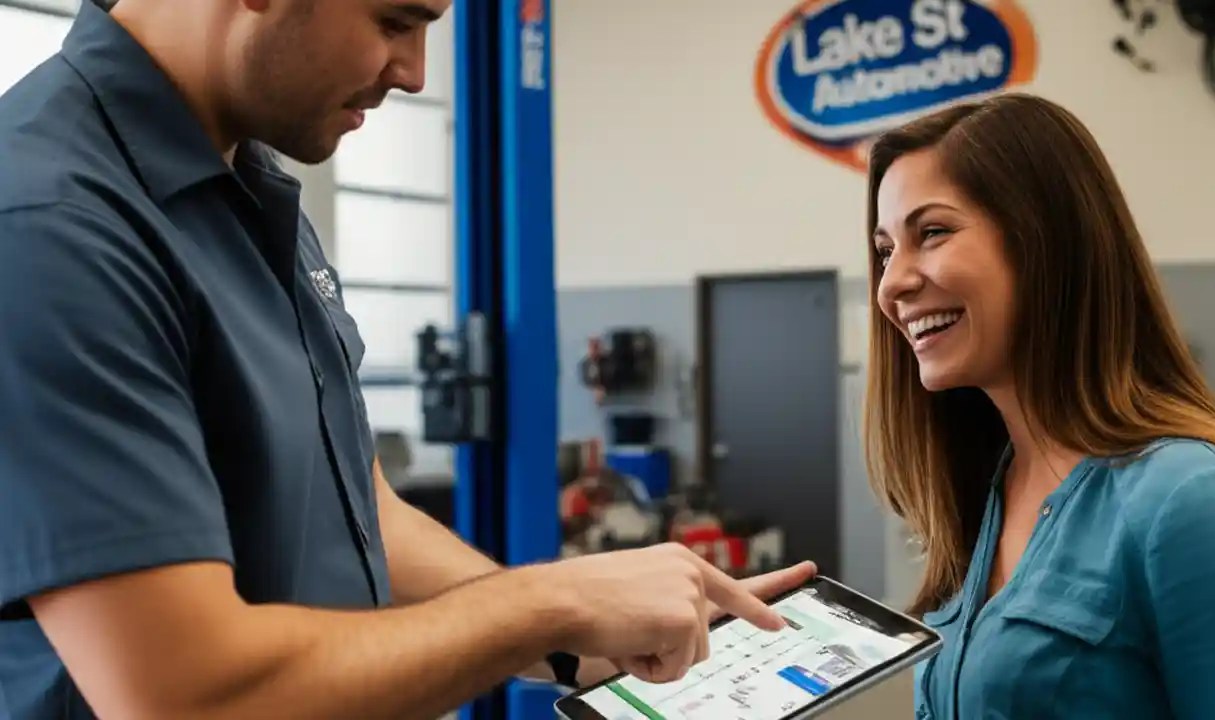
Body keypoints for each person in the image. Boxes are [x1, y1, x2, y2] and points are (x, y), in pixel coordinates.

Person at [0, 1, 817, 718]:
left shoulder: (247, 187)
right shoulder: (51, 221)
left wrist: (592, 643)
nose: (418, 74)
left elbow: (360, 508)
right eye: (396, 20)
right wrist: (551, 601)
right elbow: (184, 697)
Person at [862, 92, 1215, 719]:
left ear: (1046, 242)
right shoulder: (986, 492)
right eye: (887, 249)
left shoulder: (1190, 496)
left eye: (934, 232)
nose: (891, 283)